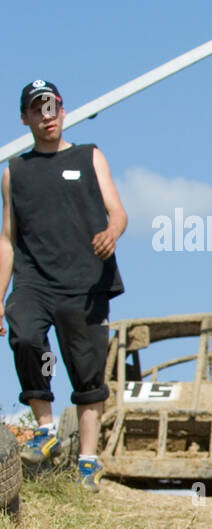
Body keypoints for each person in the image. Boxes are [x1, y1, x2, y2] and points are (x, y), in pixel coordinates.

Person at [0, 80, 128, 491]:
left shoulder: (89, 156)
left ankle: (88, 462)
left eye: (52, 107)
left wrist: (112, 231)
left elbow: (118, 212)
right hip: (34, 280)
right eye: (38, 109)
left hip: (86, 281)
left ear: (63, 110)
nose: (47, 115)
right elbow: (6, 239)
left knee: (87, 375)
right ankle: (45, 428)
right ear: (25, 118)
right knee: (24, 335)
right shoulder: (13, 173)